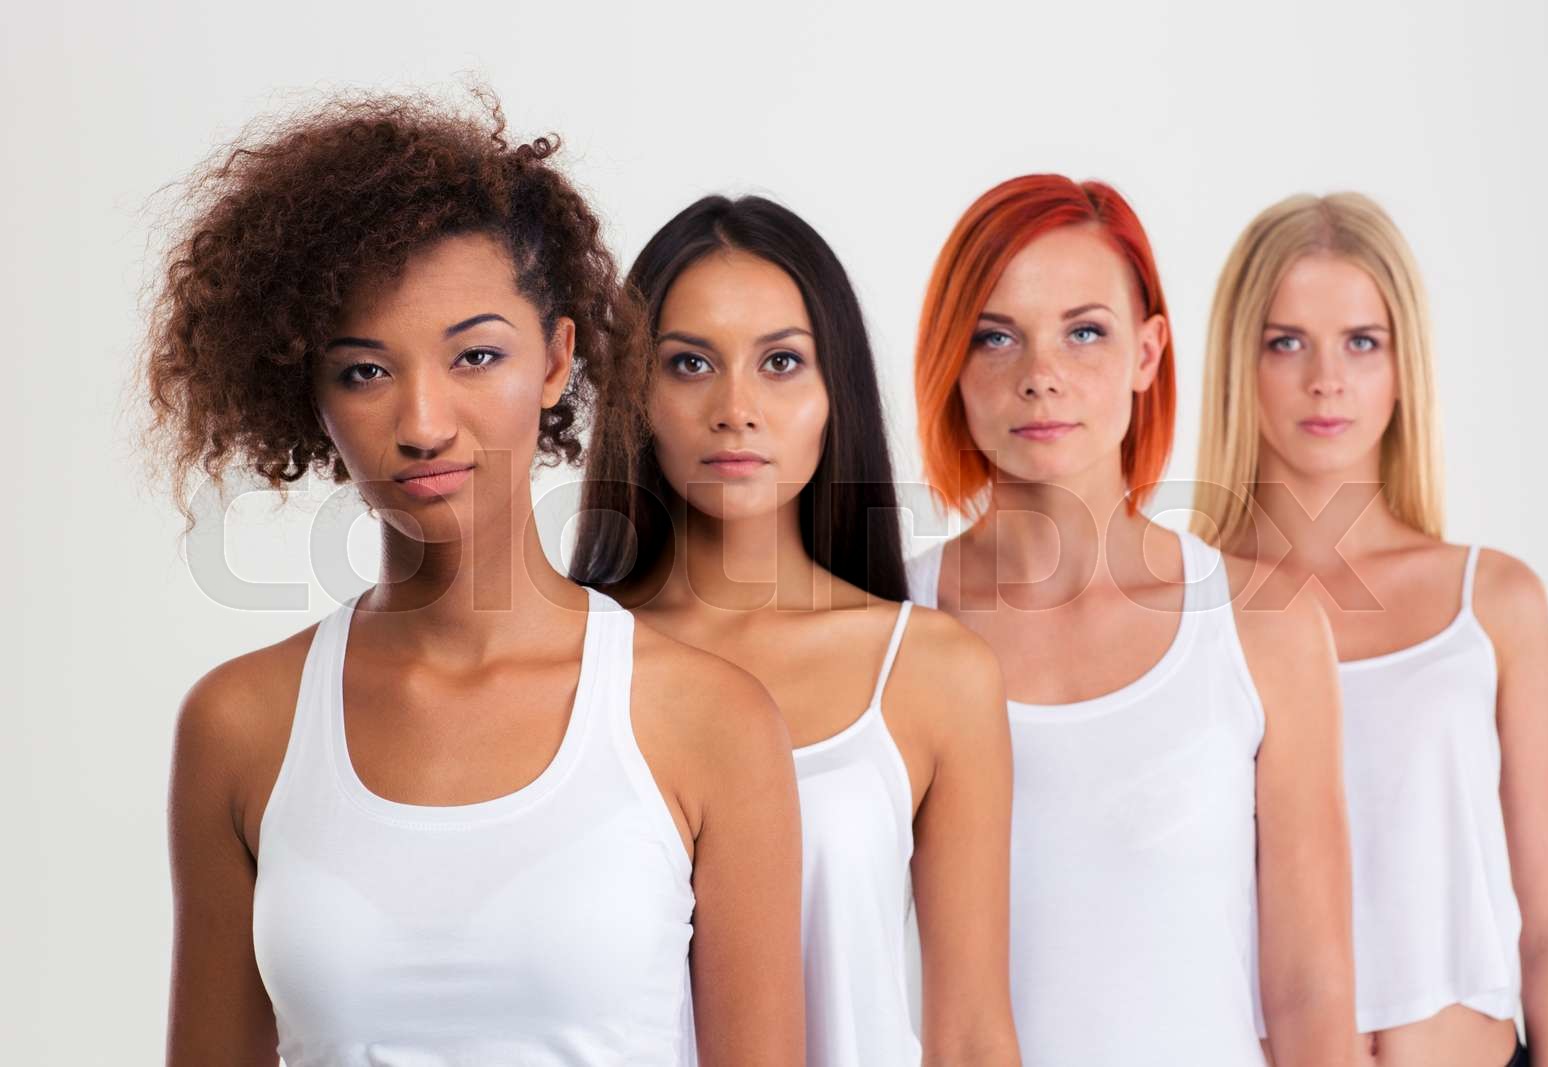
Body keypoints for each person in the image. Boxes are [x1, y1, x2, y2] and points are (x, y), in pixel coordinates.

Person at [146, 90, 804, 1066]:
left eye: (476, 355)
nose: (421, 421)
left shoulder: (709, 720)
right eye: (364, 370)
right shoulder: (241, 724)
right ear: (307, 392)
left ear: (556, 359)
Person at [907, 174, 1357, 1066]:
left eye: (1085, 332)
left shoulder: (1266, 627)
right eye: (995, 336)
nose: (1041, 376)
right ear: (951, 363)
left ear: (1148, 353)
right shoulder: (889, 626)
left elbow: (1310, 990)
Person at [571, 194, 1020, 1066]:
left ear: (835, 391)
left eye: (781, 361)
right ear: (635, 391)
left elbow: (969, 1033)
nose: (736, 408)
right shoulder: (563, 656)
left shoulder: (931, 670)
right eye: (690, 363)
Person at [1192, 191, 1548, 1067]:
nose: (1325, 379)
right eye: (1285, 342)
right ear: (1237, 364)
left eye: (1361, 342)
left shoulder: (1492, 601)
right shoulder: (1184, 612)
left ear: (1405, 364)